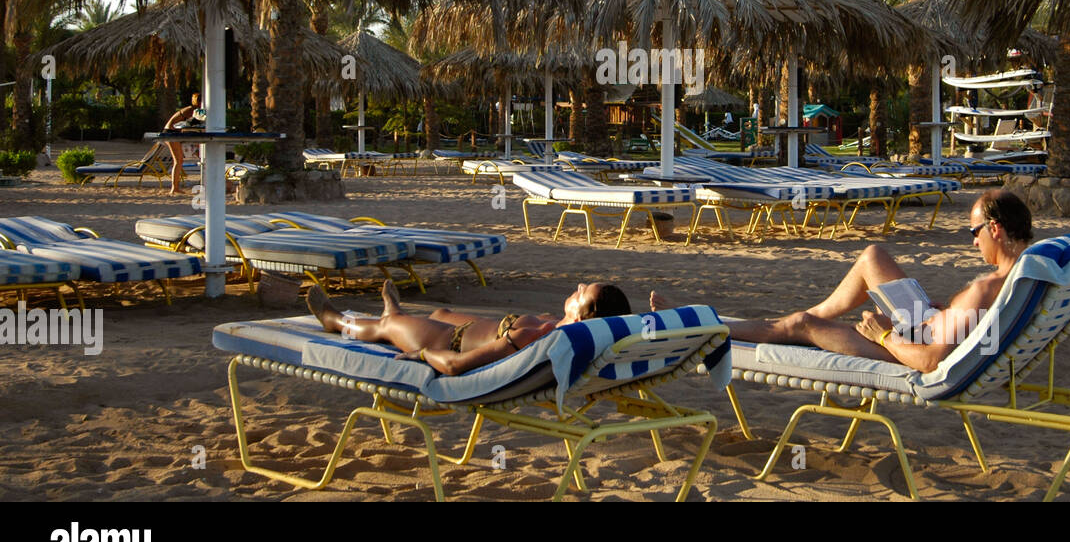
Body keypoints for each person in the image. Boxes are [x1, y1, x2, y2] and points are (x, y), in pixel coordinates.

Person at [651, 190, 1033, 374]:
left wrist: (883, 335)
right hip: (922, 320)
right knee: (873, 257)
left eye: (974, 230)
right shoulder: (1020, 273)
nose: (973, 239)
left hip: (906, 343)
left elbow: (932, 361)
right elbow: (964, 327)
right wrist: (938, 311)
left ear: (995, 229)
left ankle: (707, 327)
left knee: (802, 325)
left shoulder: (987, 288)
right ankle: (797, 323)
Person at [306, 280, 632, 376]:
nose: (576, 285)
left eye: (581, 292)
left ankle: (334, 321)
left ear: (579, 317)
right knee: (439, 310)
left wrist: (422, 355)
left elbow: (454, 365)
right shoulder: (575, 331)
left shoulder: (535, 338)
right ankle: (398, 314)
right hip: (476, 326)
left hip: (449, 341)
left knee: (387, 327)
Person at [163, 92, 203, 195]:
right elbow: (190, 125)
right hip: (171, 133)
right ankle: (174, 188)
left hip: (174, 133)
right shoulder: (192, 110)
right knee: (178, 160)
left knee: (180, 160)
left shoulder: (192, 109)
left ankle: (175, 187)